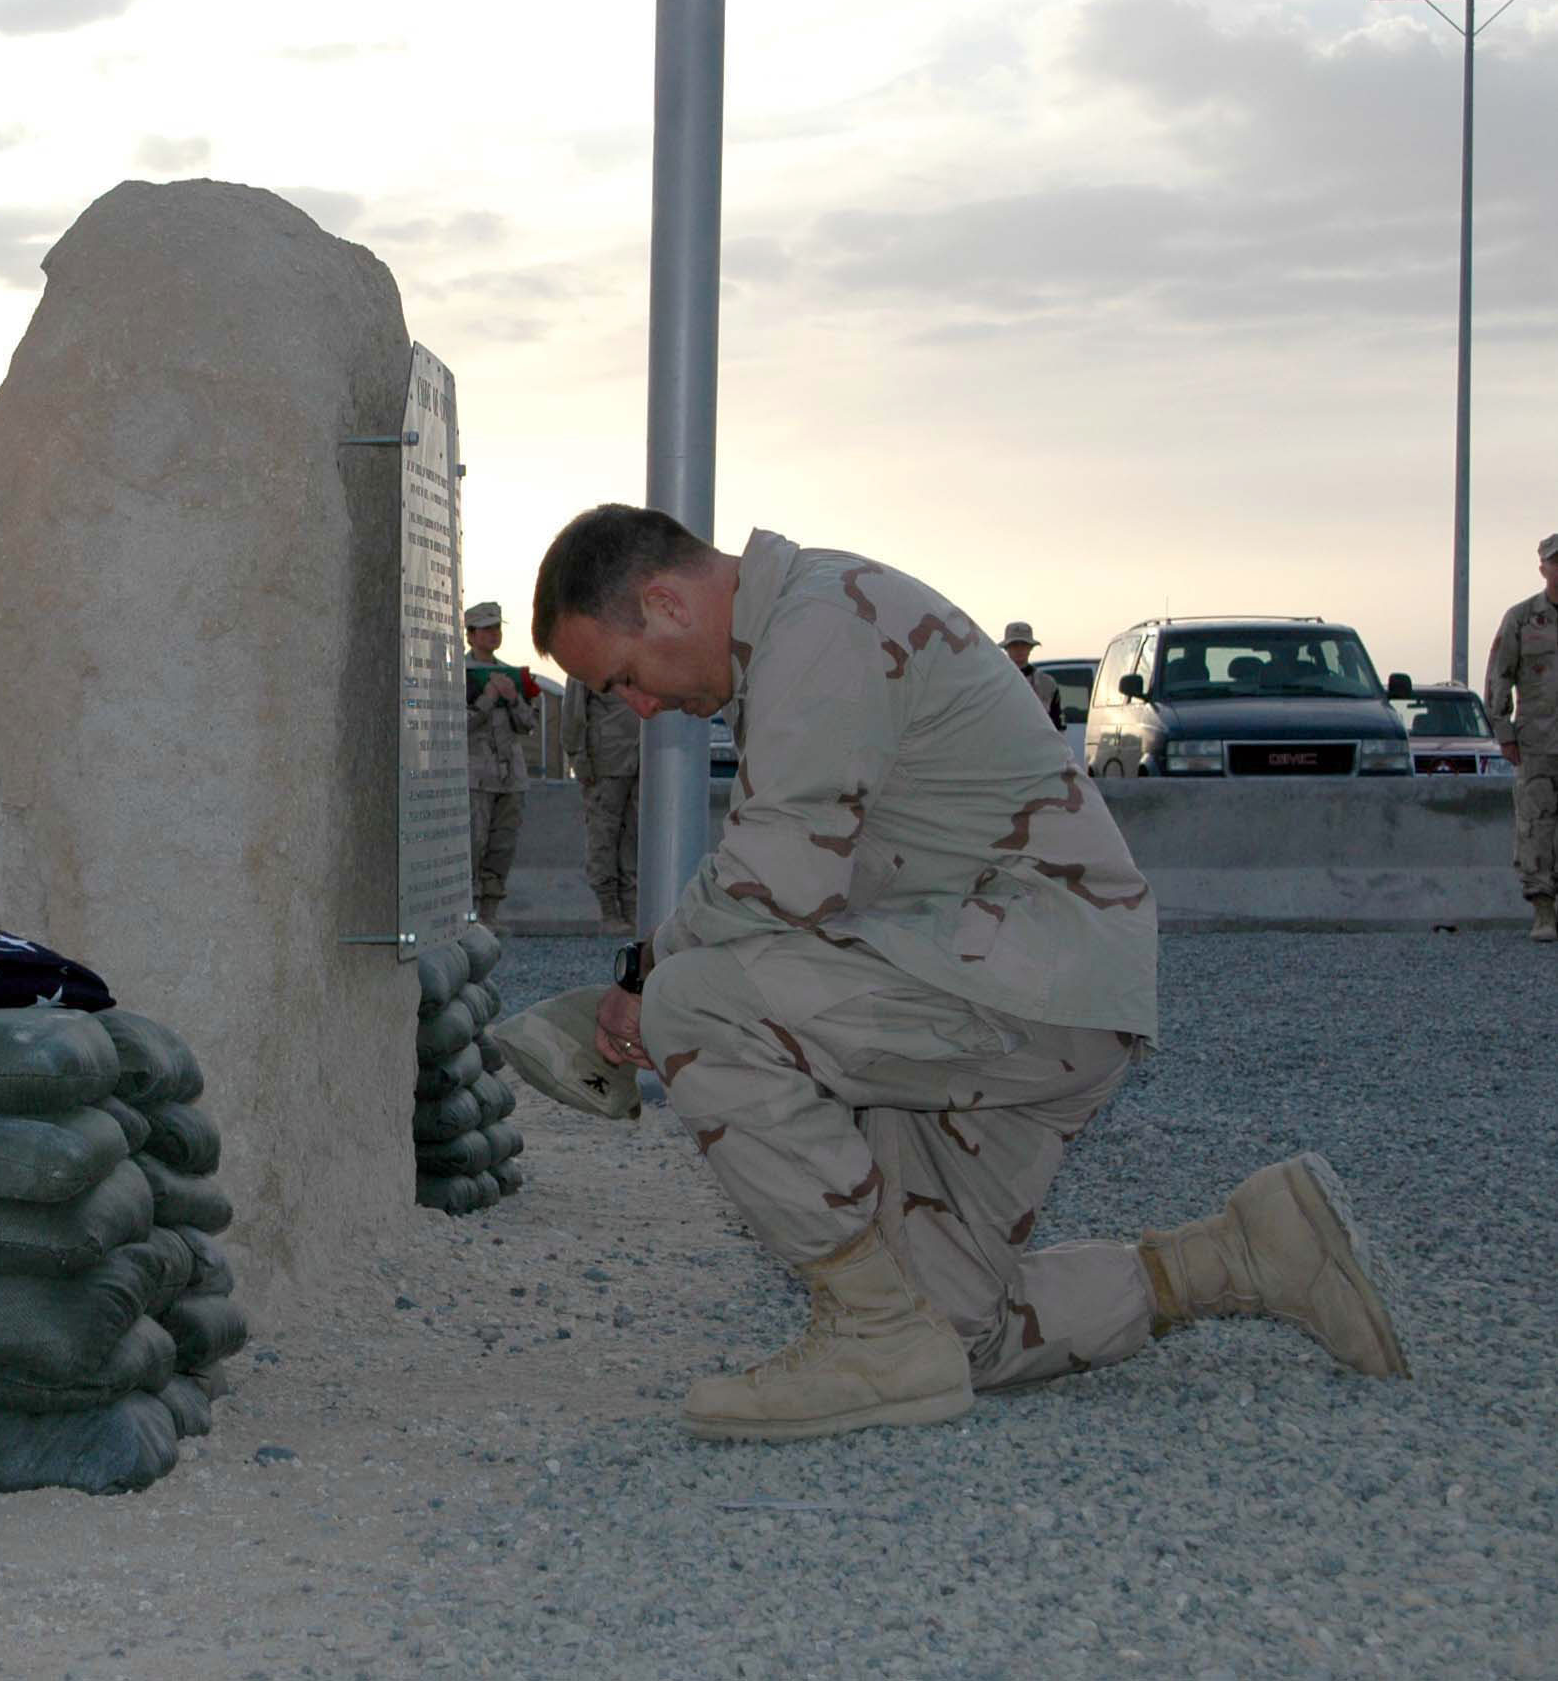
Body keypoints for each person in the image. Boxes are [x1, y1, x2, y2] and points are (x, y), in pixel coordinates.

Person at [500, 505, 1405, 1442]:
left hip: (1024, 979)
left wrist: (639, 977)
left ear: (664, 601)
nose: (638, 708)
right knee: (950, 1337)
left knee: (694, 1003)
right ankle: (1241, 1256)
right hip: (999, 990)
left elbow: (774, 881)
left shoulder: (819, 626)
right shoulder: (808, 625)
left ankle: (869, 1331)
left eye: (623, 679)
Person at [1481, 532, 1558, 944]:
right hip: (1538, 744)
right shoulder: (1523, 618)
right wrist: (1504, 733)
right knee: (1535, 828)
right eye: (1556, 561)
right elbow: (1500, 677)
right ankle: (1543, 912)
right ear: (1543, 567)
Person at [464, 601, 539, 933]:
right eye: (487, 628)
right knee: (471, 845)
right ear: (471, 635)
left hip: (510, 777)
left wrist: (512, 697)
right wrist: (488, 698)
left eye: (498, 628)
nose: (494, 634)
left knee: (501, 848)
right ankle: (465, 914)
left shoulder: (511, 676)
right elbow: (458, 725)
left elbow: (529, 724)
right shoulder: (460, 675)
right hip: (475, 776)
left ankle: (489, 914)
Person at [561, 673, 641, 935]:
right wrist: (579, 758)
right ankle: (609, 911)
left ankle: (632, 909)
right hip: (606, 764)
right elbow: (573, 715)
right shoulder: (589, 655)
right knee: (603, 837)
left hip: (640, 762)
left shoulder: (642, 649)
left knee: (635, 838)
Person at [1000, 620, 1064, 730]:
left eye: (1024, 645)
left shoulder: (1047, 684)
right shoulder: (996, 682)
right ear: (1006, 648)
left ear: (1030, 648)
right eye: (1014, 645)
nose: (1019, 649)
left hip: (1039, 742)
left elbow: (1057, 723)